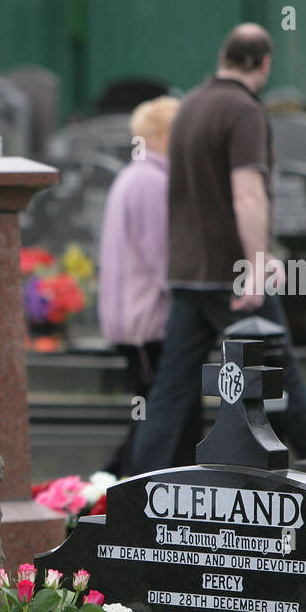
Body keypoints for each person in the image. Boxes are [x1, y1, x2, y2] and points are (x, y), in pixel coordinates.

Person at [127, 24, 306, 475]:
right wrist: (258, 264)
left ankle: (130, 502)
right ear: (264, 64)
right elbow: (246, 194)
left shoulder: (188, 108)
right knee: (288, 389)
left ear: (224, 55)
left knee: (168, 396)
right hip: (232, 278)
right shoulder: (243, 111)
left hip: (186, 276)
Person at [97, 95, 197, 473]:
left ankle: (110, 486)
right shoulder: (153, 182)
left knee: (151, 412)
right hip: (148, 322)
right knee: (157, 413)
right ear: (165, 133)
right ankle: (115, 487)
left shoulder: (136, 175)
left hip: (134, 319)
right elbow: (166, 258)